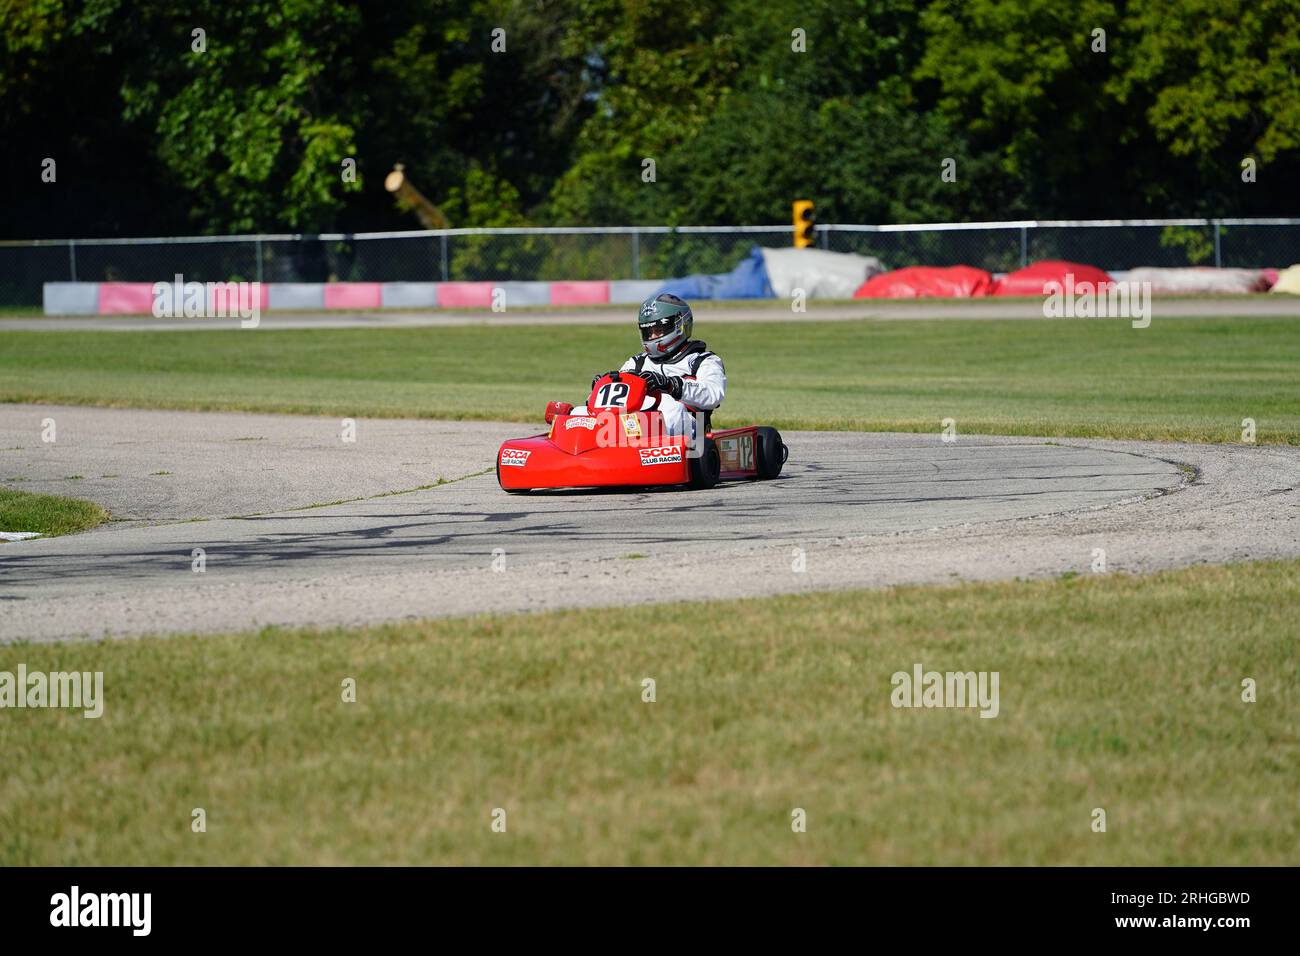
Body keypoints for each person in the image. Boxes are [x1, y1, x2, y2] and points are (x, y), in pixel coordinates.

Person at [577, 293, 726, 437]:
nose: (653, 337)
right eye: (648, 332)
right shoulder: (637, 363)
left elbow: (713, 395)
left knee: (670, 407)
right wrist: (602, 389)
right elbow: (617, 402)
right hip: (638, 428)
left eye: (659, 330)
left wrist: (671, 385)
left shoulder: (703, 361)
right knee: (579, 413)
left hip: (692, 435)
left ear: (680, 325)